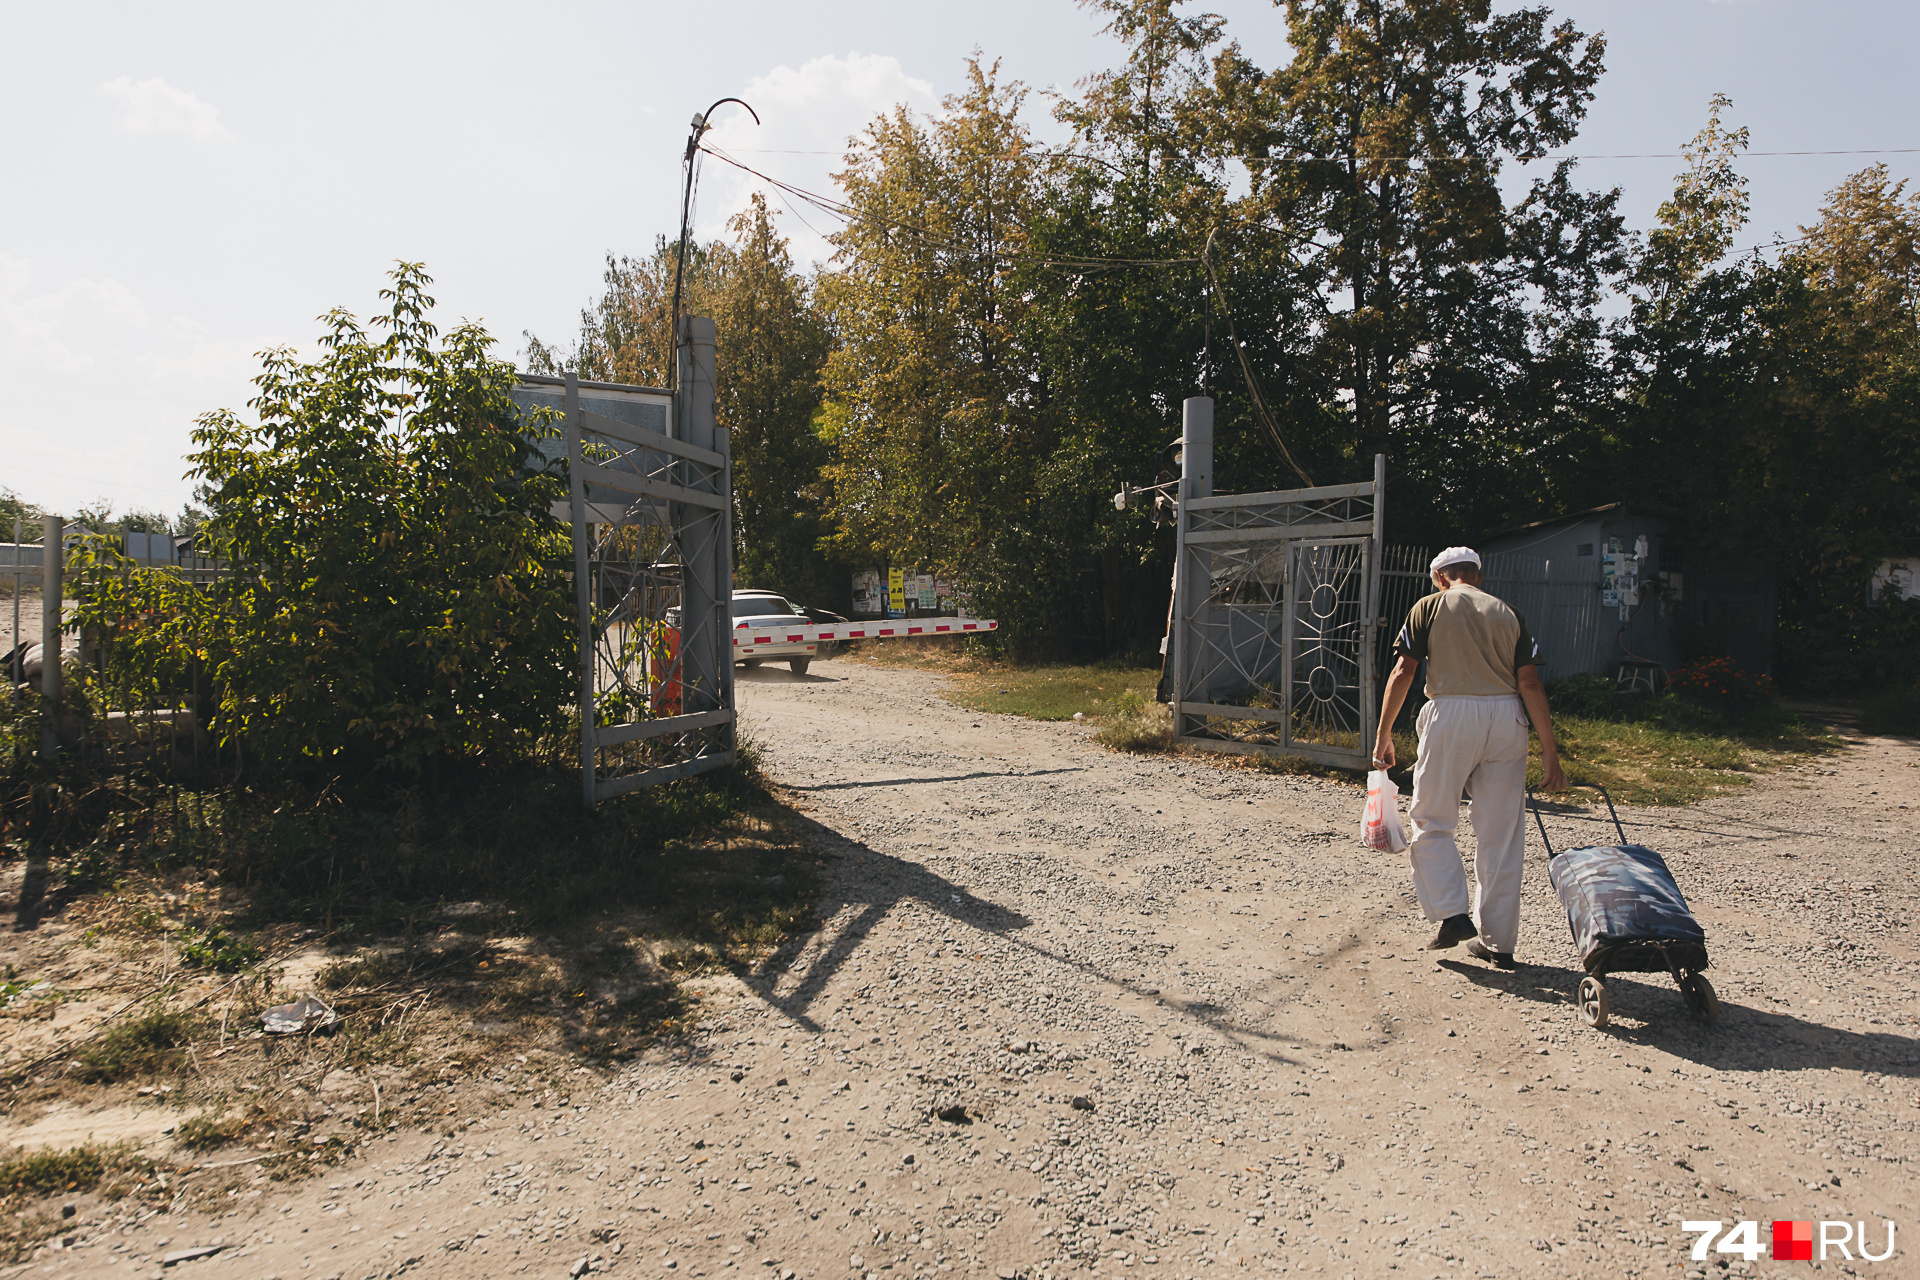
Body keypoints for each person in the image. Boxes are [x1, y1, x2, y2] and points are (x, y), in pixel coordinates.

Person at [1372, 547, 1566, 968]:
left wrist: (1384, 734)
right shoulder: (1508, 613)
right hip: (1506, 717)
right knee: (1502, 833)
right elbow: (1530, 682)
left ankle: (1452, 913)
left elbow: (1403, 671)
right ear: (1476, 577)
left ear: (1441, 578)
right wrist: (1551, 753)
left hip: (1452, 714)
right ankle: (1499, 943)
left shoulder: (1429, 606)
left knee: (1432, 816)